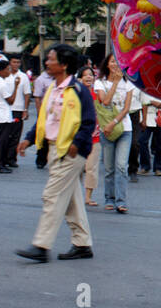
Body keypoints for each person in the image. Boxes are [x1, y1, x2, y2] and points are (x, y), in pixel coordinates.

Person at [15, 44, 95, 262]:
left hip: (70, 153)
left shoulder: (78, 90)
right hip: (54, 148)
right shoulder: (52, 87)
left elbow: (89, 121)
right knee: (71, 200)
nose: (47, 62)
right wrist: (29, 139)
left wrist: (77, 144)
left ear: (64, 65)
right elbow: (45, 118)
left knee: (52, 195)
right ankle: (82, 244)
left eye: (51, 59)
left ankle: (41, 245)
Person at [94, 55, 134, 213]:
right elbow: (105, 101)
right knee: (109, 167)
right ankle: (109, 198)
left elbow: (126, 108)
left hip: (124, 128)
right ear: (107, 64)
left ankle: (121, 201)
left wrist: (114, 123)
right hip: (106, 130)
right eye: (112, 62)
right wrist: (115, 82)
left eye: (118, 62)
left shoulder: (129, 83)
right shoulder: (100, 82)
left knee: (121, 166)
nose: (115, 65)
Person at [0, 58, 21, 173]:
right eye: (7, 69)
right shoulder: (1, 84)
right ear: (1, 71)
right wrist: (16, 86)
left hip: (0, 115)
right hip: (2, 116)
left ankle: (0, 163)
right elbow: (11, 100)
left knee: (2, 140)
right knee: (1, 142)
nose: (9, 71)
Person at [78, 65, 101, 207]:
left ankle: (87, 197)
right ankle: (75, 195)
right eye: (85, 75)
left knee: (91, 168)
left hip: (95, 136)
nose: (88, 77)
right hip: (78, 137)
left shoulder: (97, 95)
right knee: (77, 168)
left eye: (91, 75)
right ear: (79, 78)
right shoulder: (75, 94)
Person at [6, 56, 32, 167]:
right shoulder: (5, 76)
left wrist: (25, 110)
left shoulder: (23, 77)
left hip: (17, 109)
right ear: (10, 63)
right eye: (14, 62)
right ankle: (3, 157)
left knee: (15, 136)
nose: (16, 64)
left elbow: (27, 94)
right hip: (6, 110)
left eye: (18, 62)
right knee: (5, 135)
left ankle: (11, 158)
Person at [137, 89, 161, 176]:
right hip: (147, 116)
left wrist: (160, 105)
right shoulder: (144, 87)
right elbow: (143, 102)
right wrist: (143, 120)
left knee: (160, 143)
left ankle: (158, 168)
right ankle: (145, 166)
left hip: (160, 116)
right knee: (142, 141)